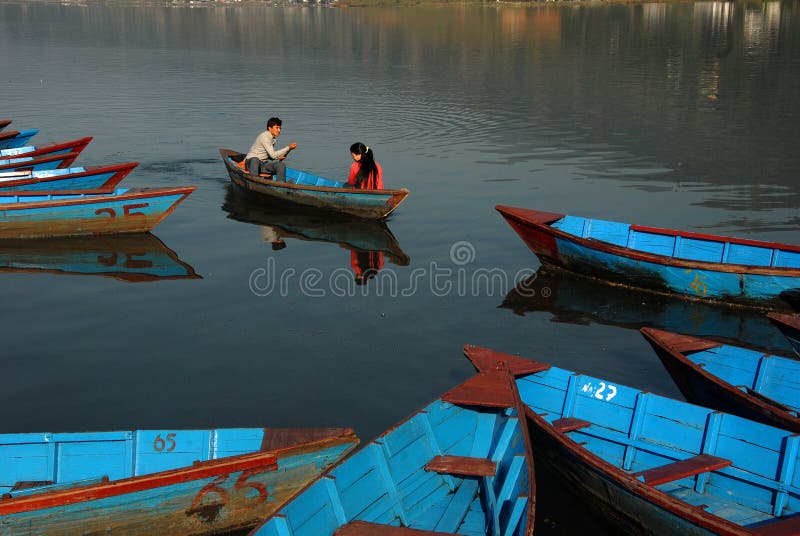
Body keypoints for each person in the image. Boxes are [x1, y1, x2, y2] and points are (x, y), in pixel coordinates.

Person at [245, 117, 297, 182]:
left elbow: (271, 157)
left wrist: (288, 150)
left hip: (262, 164)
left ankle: (281, 185)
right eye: (277, 128)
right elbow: (273, 155)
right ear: (270, 128)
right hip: (251, 164)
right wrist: (288, 147)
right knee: (255, 160)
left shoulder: (273, 138)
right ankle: (255, 182)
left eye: (280, 128)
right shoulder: (265, 137)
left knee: (280, 165)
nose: (279, 130)